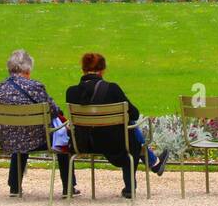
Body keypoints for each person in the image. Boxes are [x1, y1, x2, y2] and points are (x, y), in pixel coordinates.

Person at [65, 53, 168, 197]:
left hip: (84, 143)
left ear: (83, 69)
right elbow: (135, 114)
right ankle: (132, 185)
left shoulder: (71, 92)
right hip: (115, 144)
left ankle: (154, 163)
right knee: (129, 128)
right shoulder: (112, 89)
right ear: (102, 70)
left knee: (126, 126)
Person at [0, 49, 76, 197]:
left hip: (7, 140)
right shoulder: (35, 87)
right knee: (63, 137)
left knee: (19, 135)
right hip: (36, 139)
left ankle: (14, 187)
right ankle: (68, 187)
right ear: (28, 69)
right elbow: (54, 110)